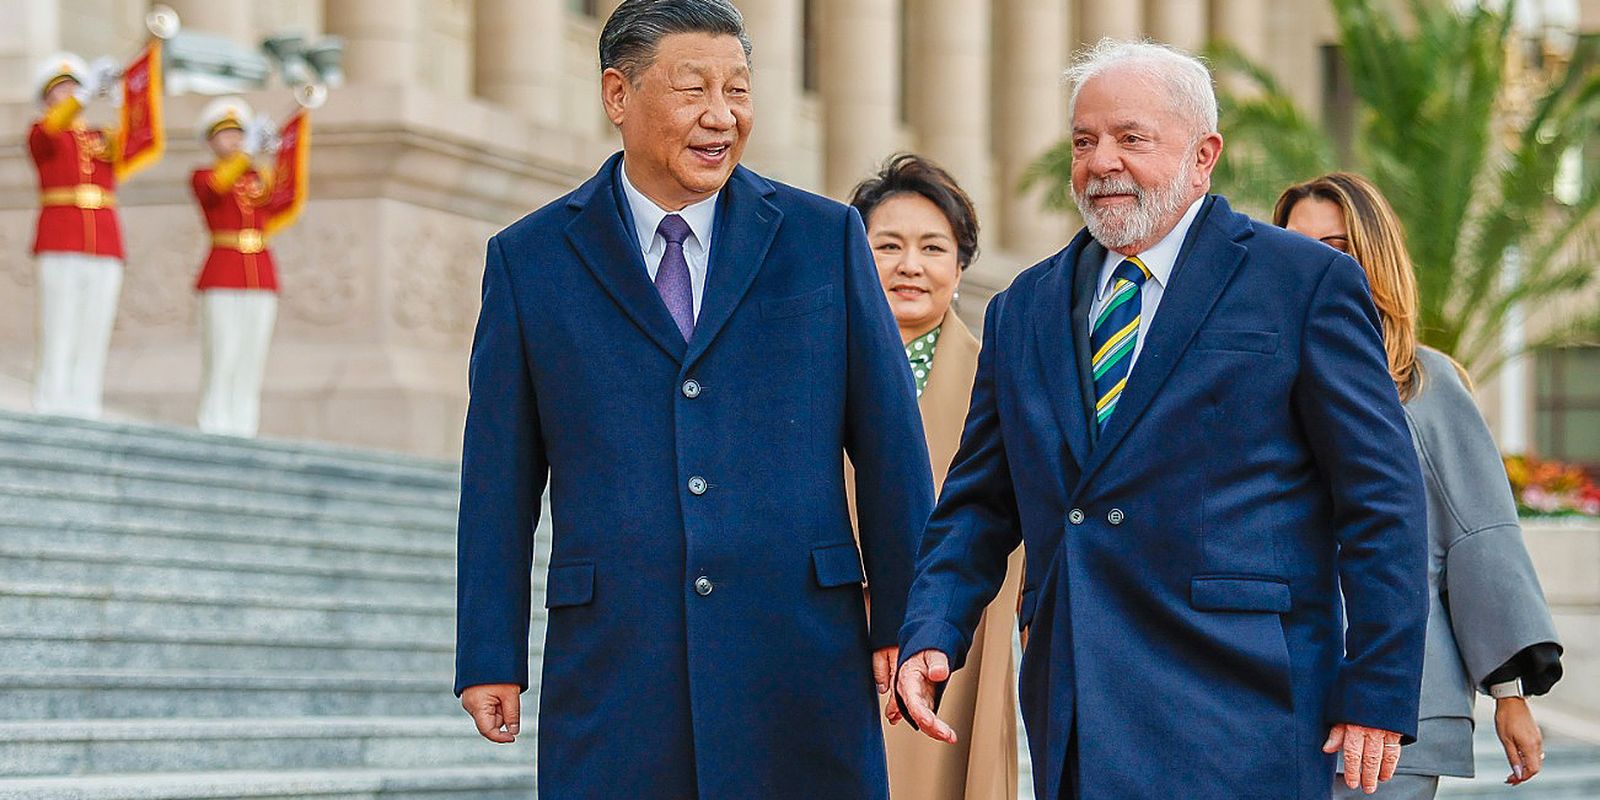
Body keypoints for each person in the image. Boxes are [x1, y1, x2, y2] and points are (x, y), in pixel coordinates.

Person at [893, 40, 1429, 800]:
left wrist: (1376, 687)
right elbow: (979, 501)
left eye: (1130, 138)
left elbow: (1382, 501)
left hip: (1244, 705)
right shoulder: (1022, 309)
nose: (1101, 162)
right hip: (1078, 702)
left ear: (1204, 155)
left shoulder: (1304, 283)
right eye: (1084, 141)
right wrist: (932, 631)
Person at [454, 2, 934, 798]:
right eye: (693, 90)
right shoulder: (529, 260)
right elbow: (496, 481)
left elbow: (890, 448)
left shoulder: (825, 238)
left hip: (799, 656)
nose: (722, 116)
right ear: (618, 95)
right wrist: (488, 651)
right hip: (616, 664)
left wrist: (908, 619)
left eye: (738, 90)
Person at [1277, 172, 1564, 799]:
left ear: (1373, 259)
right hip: (1273, 697)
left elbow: (1480, 538)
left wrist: (1509, 693)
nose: (1314, 265)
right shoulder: (1261, 383)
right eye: (1297, 246)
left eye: (1337, 248)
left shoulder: (1425, 385)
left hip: (1400, 707)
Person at [849, 154, 1022, 800]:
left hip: (956, 643)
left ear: (961, 264)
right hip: (836, 632)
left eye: (932, 248)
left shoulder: (999, 382)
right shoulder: (810, 376)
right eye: (888, 246)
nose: (910, 266)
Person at [28, 52, 125, 419]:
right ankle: (51, 400)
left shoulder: (101, 138)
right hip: (61, 237)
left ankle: (86, 402)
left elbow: (136, 146)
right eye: (62, 89)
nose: (69, 93)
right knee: (59, 323)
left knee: (95, 325)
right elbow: (51, 130)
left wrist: (123, 102)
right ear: (46, 97)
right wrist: (83, 96)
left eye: (75, 87)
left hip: (104, 240)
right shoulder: (42, 132)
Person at [190, 97, 294, 437]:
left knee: (252, 353)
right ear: (211, 141)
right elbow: (215, 189)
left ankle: (244, 423)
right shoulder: (203, 175)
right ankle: (214, 420)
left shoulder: (259, 179)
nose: (234, 140)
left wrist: (288, 144)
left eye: (239, 134)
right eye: (226, 134)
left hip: (259, 273)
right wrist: (248, 153)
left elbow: (287, 196)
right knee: (222, 350)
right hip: (224, 271)